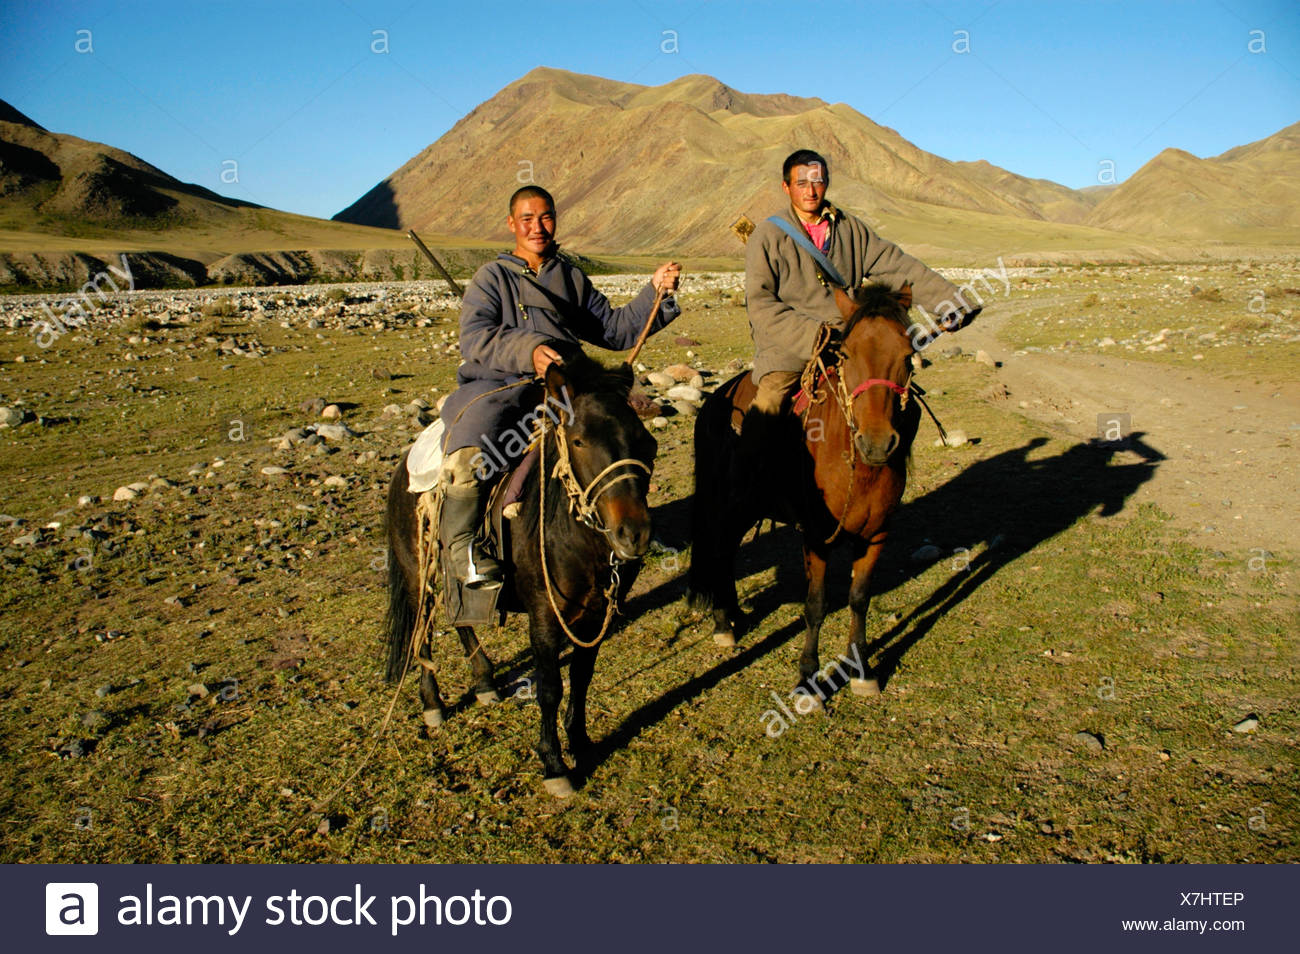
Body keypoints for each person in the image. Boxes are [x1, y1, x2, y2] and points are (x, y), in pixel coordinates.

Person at [438, 185, 682, 588]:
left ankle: (618, 525)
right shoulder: (491, 277)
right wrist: (530, 350)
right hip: (502, 386)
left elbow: (614, 329)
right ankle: (463, 549)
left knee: (617, 441)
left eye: (546, 217)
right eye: (528, 219)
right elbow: (476, 337)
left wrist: (654, 293)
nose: (538, 227)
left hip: (564, 391)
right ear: (512, 224)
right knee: (470, 456)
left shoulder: (568, 275)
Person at [740, 148, 980, 476]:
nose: (810, 191)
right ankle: (749, 484)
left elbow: (897, 266)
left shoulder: (850, 228)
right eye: (801, 183)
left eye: (818, 182)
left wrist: (950, 300)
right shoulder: (767, 236)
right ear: (786, 188)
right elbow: (761, 303)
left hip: (850, 340)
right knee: (768, 407)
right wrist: (814, 335)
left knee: (902, 400)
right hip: (790, 345)